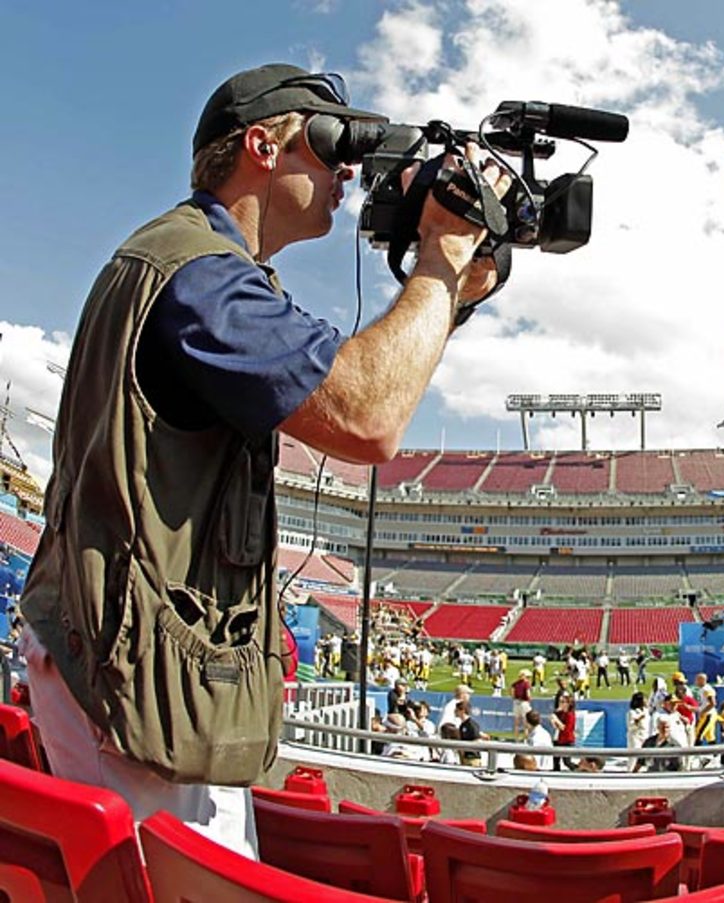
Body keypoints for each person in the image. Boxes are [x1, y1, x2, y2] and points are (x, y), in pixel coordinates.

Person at [16, 62, 509, 858]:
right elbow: (368, 415)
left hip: (118, 660)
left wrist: (450, 291)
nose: (348, 171)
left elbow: (364, 385)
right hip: (135, 686)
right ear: (261, 146)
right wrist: (439, 257)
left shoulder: (199, 264)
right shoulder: (201, 278)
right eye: (330, 145)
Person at [550, 690, 577, 771]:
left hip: (567, 741)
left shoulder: (570, 715)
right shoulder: (560, 713)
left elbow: (566, 729)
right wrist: (553, 720)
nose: (560, 704)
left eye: (562, 702)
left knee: (567, 761)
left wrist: (556, 720)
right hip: (558, 739)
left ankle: (578, 769)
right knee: (556, 760)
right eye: (559, 701)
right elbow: (557, 727)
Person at [626, 691, 651, 770]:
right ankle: (630, 773)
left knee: (644, 757)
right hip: (635, 737)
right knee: (634, 757)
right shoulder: (631, 712)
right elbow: (630, 726)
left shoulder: (646, 711)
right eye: (644, 699)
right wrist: (638, 720)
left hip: (645, 736)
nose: (646, 701)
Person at [512, 668, 533, 738]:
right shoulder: (526, 684)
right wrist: (530, 700)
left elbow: (512, 694)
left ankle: (516, 738)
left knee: (516, 722)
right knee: (525, 722)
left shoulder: (515, 684)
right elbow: (528, 694)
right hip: (524, 703)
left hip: (516, 703)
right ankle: (527, 738)